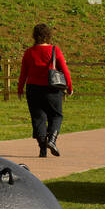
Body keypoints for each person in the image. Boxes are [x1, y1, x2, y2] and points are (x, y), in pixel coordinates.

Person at [16, 23, 73, 158]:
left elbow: (23, 72)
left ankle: (42, 148)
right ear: (48, 36)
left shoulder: (29, 52)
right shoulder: (55, 50)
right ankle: (52, 140)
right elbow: (64, 70)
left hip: (33, 89)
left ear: (34, 36)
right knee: (56, 115)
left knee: (38, 118)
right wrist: (69, 86)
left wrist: (20, 88)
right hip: (51, 88)